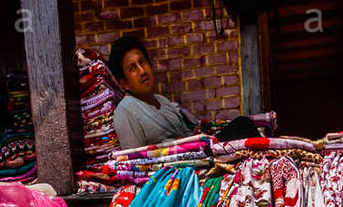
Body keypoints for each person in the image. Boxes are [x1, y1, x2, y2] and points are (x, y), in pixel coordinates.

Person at [108, 34, 259, 149]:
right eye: (132, 68)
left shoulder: (163, 101)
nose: (142, 71)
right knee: (243, 125)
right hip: (173, 170)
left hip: (195, 155)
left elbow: (186, 137)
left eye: (142, 62)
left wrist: (195, 135)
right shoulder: (125, 111)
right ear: (124, 83)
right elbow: (135, 161)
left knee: (243, 125)